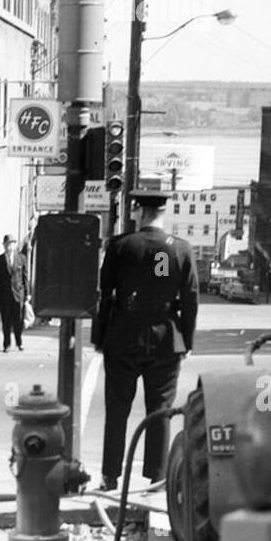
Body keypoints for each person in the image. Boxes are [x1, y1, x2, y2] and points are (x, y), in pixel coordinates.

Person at [93, 191, 198, 492]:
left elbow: (105, 295)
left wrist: (100, 337)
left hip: (124, 334)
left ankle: (110, 475)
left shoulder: (121, 246)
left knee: (116, 409)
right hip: (166, 337)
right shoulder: (178, 249)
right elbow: (190, 300)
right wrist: (187, 340)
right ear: (165, 211)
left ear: (139, 211)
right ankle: (157, 477)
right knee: (160, 409)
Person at [0, 234, 30, 351]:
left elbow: (25, 277)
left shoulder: (21, 258)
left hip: (18, 294)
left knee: (18, 320)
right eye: (7, 245)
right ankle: (6, 344)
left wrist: (28, 294)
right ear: (4, 246)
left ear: (14, 245)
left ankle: (19, 342)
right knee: (6, 320)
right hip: (4, 295)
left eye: (11, 244)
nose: (9, 247)